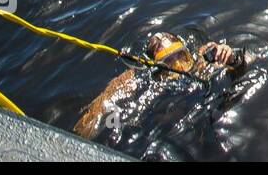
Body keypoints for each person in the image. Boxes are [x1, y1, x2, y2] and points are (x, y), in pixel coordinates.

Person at [74, 31, 247, 139]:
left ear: (188, 53)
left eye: (182, 57)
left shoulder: (203, 57)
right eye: (169, 64)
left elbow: (243, 62)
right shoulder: (138, 78)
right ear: (155, 68)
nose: (181, 67)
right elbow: (101, 104)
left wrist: (231, 57)